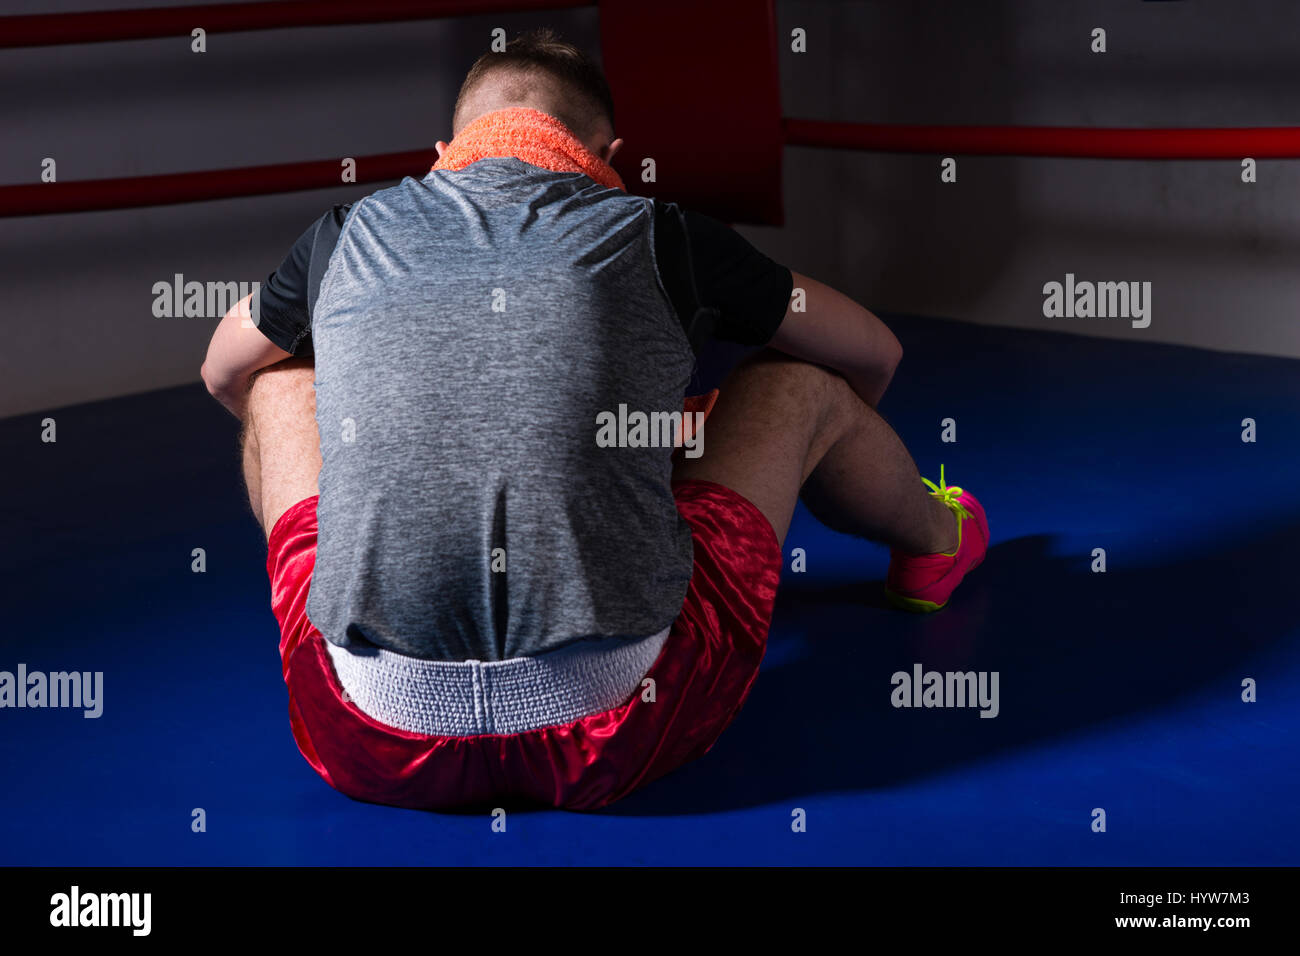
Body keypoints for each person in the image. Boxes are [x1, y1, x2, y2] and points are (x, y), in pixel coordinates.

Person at [200, 28, 988, 811]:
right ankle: (934, 542)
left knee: (275, 386)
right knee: (800, 386)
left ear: (445, 147)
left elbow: (221, 371)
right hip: (626, 724)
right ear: (610, 152)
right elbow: (872, 353)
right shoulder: (668, 234)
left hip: (368, 731)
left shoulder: (341, 236)